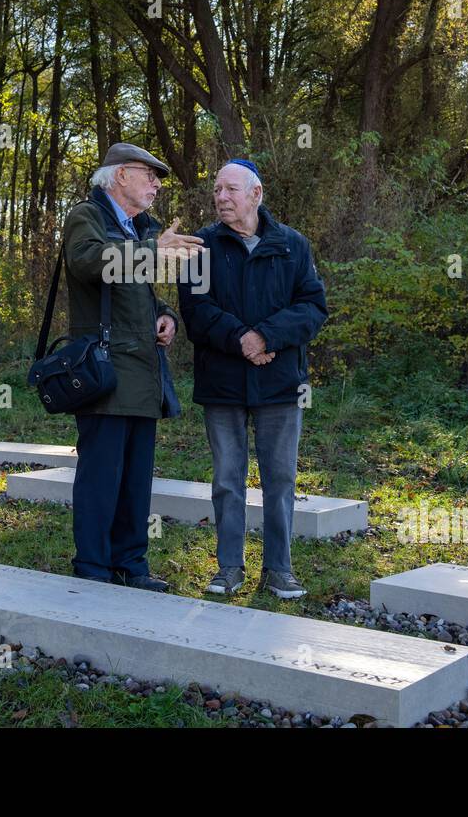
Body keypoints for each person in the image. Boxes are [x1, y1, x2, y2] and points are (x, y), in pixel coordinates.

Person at [177, 159, 328, 598]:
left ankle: (279, 569)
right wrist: (241, 337)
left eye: (230, 190)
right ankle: (229, 568)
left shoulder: (292, 246)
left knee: (280, 480)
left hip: (280, 384)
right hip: (222, 383)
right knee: (227, 478)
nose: (221, 198)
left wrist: (266, 336)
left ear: (255, 194)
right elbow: (196, 311)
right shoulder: (201, 246)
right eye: (217, 191)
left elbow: (313, 308)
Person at [61, 142, 205, 590]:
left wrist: (165, 315)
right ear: (120, 176)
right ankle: (93, 569)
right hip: (105, 372)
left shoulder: (137, 227)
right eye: (149, 175)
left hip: (143, 373)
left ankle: (132, 566)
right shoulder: (87, 216)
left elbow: (132, 294)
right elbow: (87, 262)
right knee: (101, 478)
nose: (157, 184)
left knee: (136, 481)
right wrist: (148, 251)